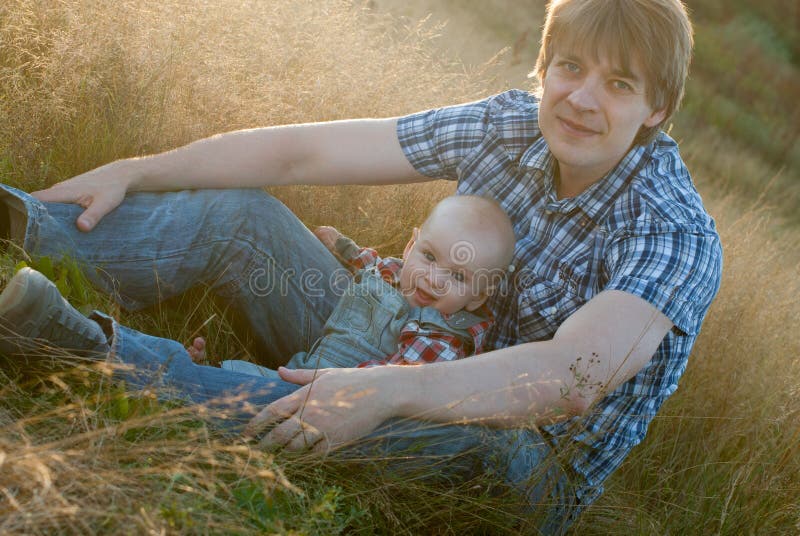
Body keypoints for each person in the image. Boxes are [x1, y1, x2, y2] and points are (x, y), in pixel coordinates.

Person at [0, 0, 722, 531]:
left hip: (516, 459)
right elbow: (305, 153)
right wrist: (135, 168)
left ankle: (89, 353)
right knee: (241, 214)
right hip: (398, 340)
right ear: (545, 67)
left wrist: (383, 392)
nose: (582, 99)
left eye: (620, 84)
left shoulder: (673, 231)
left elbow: (570, 378)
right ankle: (26, 228)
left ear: (658, 107)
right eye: (570, 68)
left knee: (454, 441)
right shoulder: (511, 124)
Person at [215, 194, 515, 373]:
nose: (433, 278)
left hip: (331, 395)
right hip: (310, 363)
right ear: (410, 247)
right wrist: (341, 245)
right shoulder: (395, 272)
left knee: (256, 389)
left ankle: (202, 376)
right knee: (262, 376)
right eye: (429, 256)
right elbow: (368, 261)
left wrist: (327, 384)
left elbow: (390, 380)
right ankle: (214, 368)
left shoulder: (441, 339)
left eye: (458, 276)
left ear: (477, 298)